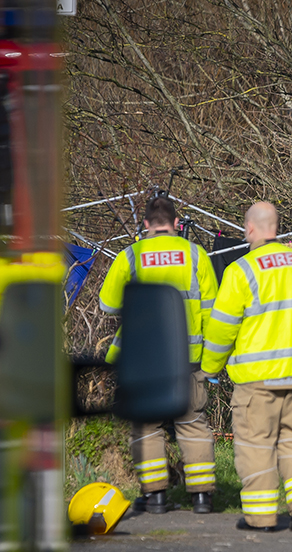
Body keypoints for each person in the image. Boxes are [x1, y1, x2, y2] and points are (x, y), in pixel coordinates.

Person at [201, 201, 292, 532]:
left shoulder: (241, 270)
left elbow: (221, 329)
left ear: (250, 229)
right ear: (277, 227)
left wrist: (210, 368)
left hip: (257, 381)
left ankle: (260, 517)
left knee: (256, 445)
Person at [98, 194, 219, 515]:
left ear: (147, 225)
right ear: (177, 224)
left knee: (146, 426)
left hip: (146, 359)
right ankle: (202, 498)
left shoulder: (131, 255)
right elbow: (213, 308)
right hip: (190, 357)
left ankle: (156, 497)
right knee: (193, 423)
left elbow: (107, 305)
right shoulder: (196, 255)